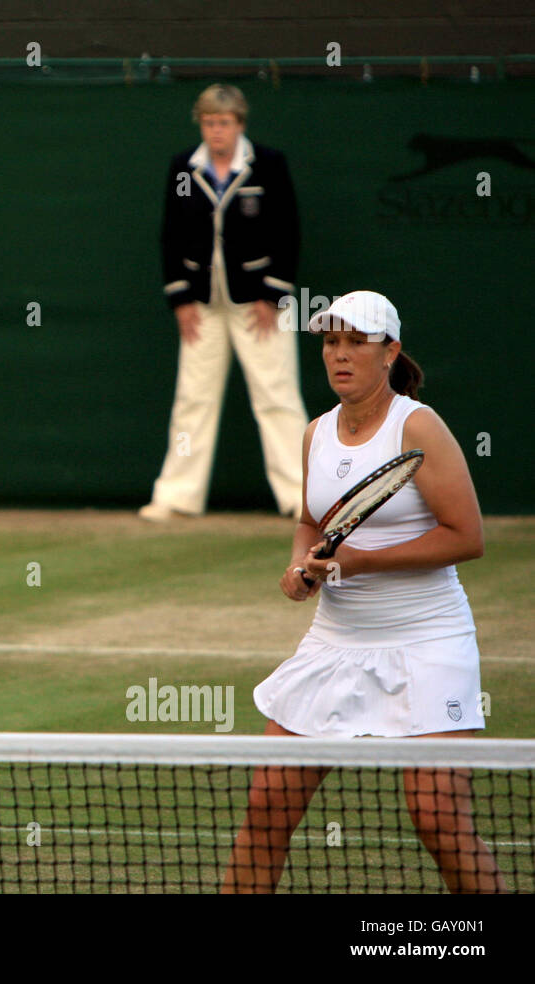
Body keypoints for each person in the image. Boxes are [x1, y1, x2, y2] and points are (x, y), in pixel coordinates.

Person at [222, 290, 505, 893]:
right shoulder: (316, 433)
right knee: (267, 808)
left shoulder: (418, 425)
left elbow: (468, 537)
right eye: (330, 342)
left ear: (390, 352)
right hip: (335, 641)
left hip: (427, 641)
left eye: (357, 342)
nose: (340, 355)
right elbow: (310, 519)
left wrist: (362, 560)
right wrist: (301, 565)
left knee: (438, 819)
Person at [142, 83, 307, 522]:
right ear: (201, 123)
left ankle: (300, 497)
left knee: (277, 397)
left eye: (225, 123)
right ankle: (177, 495)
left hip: (259, 304)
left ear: (240, 124)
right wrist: (180, 298)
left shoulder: (268, 165)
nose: (217, 131)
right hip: (203, 304)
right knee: (192, 399)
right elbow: (171, 232)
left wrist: (272, 294)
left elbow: (287, 231)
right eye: (210, 122)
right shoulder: (184, 168)